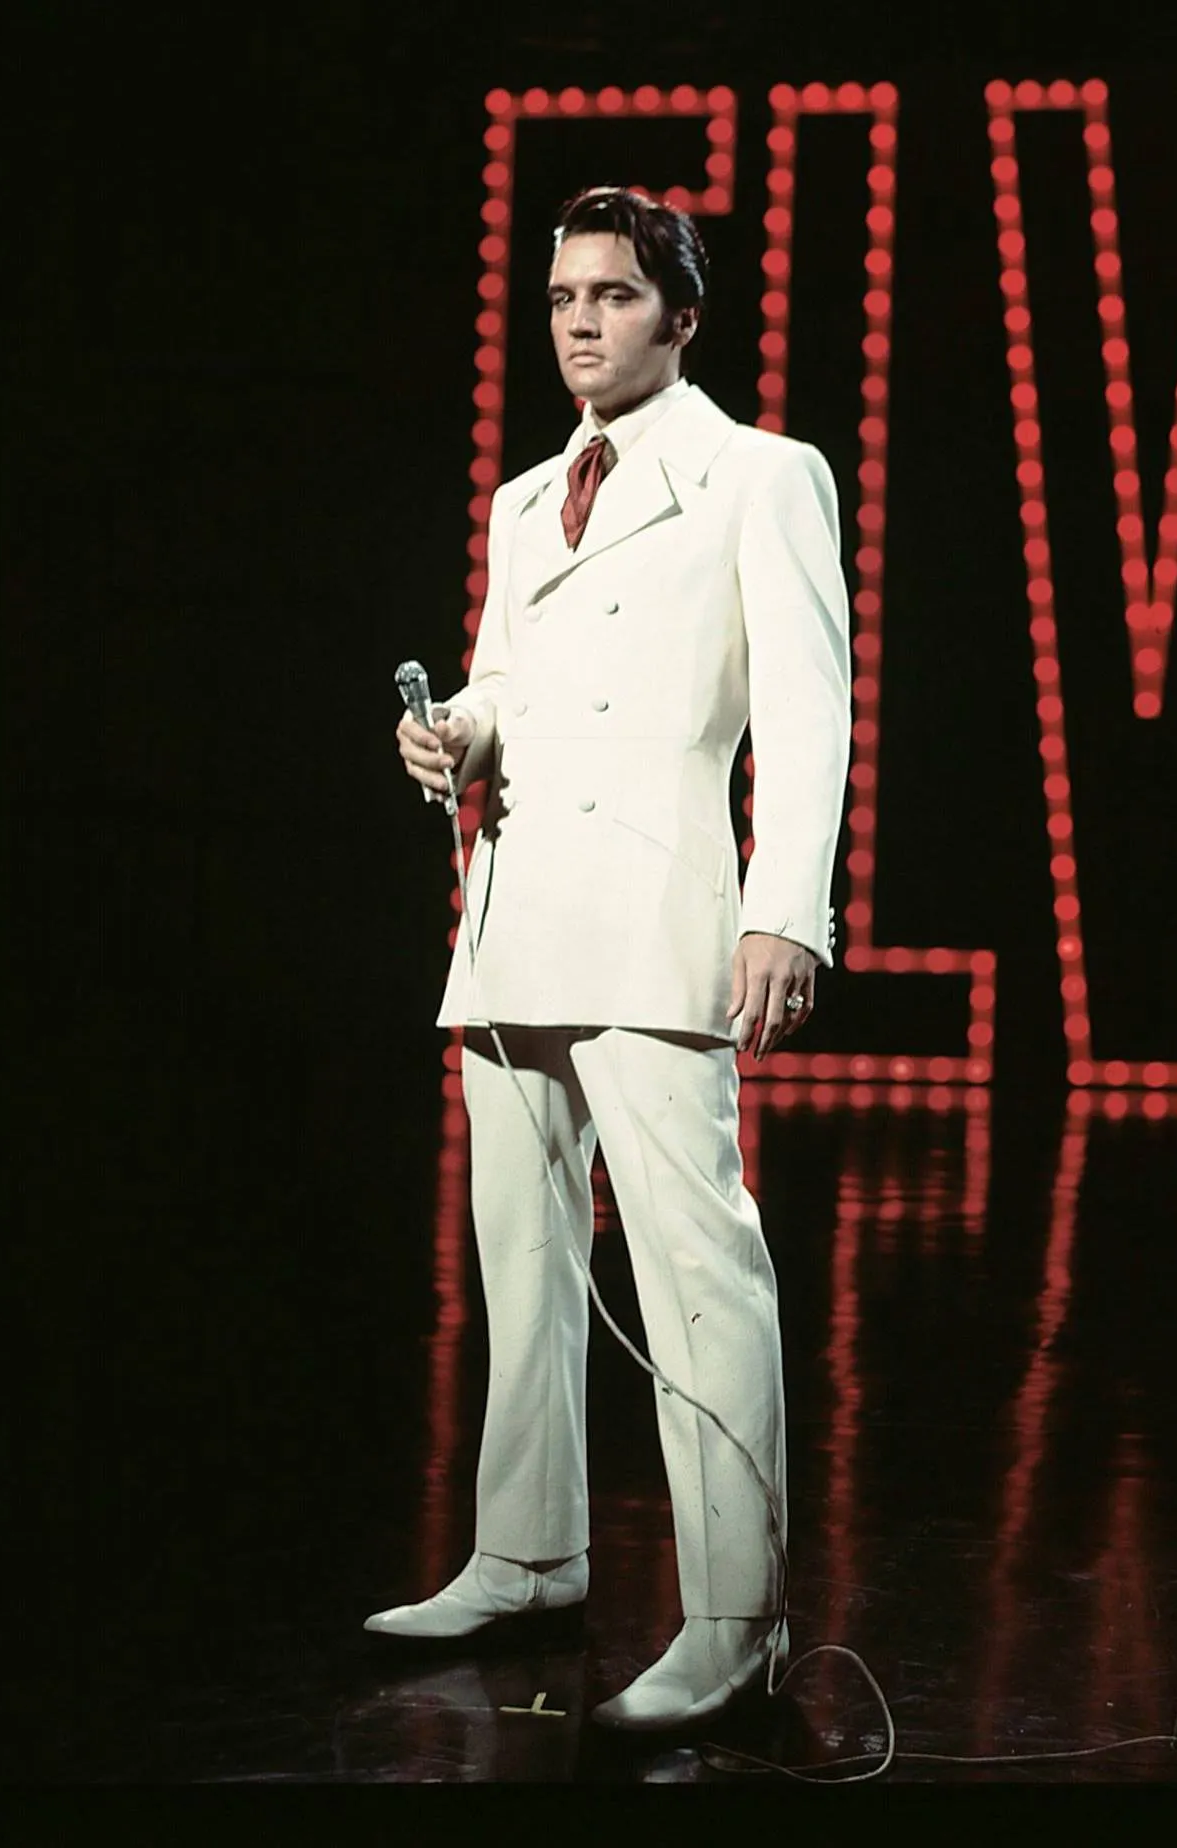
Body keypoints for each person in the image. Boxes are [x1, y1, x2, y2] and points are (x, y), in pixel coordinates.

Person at [370, 185, 851, 1735]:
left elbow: (811, 706)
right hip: (517, 916)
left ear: (681, 316)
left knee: (699, 1274)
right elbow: (514, 670)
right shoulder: (526, 500)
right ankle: (528, 1552)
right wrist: (459, 729)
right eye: (565, 296)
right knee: (521, 1257)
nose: (581, 321)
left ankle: (734, 1617)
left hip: (655, 921)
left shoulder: (757, 476)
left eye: (615, 296)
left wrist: (788, 908)